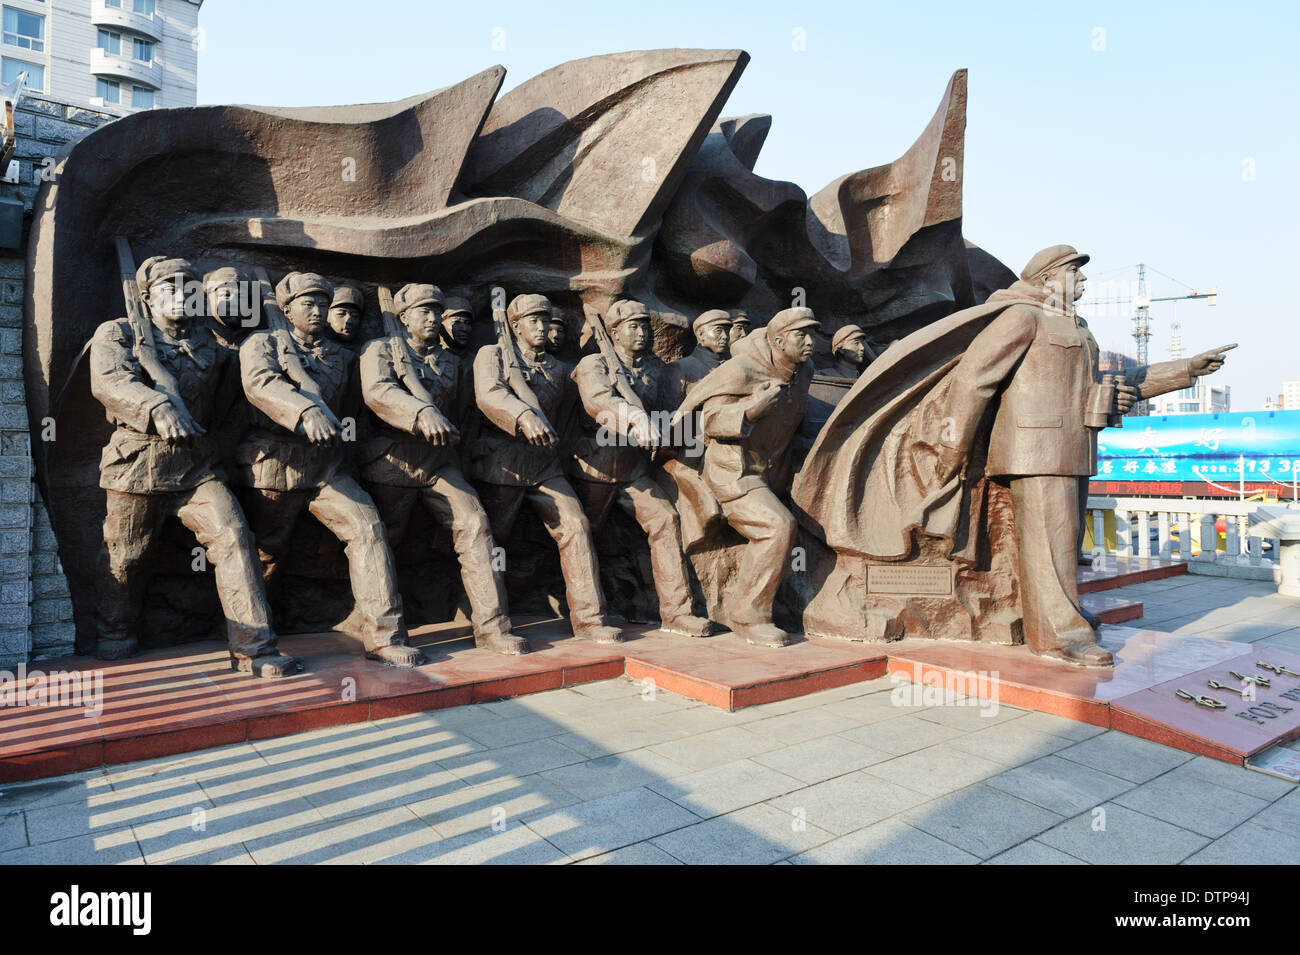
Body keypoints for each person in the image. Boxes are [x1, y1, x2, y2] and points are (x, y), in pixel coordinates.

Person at [933, 245, 1231, 665]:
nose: (1084, 281)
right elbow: (973, 380)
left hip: (1074, 447)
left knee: (1065, 541)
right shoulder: (1021, 316)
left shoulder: (1078, 326)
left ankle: (1062, 614)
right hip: (1036, 452)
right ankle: (1060, 636)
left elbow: (1116, 380)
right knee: (1049, 542)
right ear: (1048, 278)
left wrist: (1186, 370)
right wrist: (953, 444)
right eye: (1075, 272)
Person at [89, 255, 297, 677]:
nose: (182, 295)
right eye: (170, 288)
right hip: (138, 464)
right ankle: (115, 631)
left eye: (188, 288)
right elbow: (109, 381)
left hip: (196, 469)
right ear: (147, 299)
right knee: (128, 557)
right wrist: (155, 405)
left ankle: (255, 648)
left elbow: (223, 407)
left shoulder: (208, 345)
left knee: (235, 537)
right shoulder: (118, 333)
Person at [235, 271, 422, 668]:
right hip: (277, 464)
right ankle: (250, 637)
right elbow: (261, 384)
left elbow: (357, 409)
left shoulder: (342, 356)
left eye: (323, 303)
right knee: (268, 552)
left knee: (368, 529)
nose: (318, 310)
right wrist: (303, 411)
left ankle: (385, 637)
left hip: (327, 468)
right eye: (309, 303)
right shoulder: (261, 344)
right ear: (286, 310)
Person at [358, 283, 524, 654]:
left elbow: (464, 412)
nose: (433, 319)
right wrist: (419, 412)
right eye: (424, 312)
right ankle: (382, 635)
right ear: (403, 318)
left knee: (476, 524)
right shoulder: (379, 351)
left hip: (438, 464)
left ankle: (492, 627)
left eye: (437, 312)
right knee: (382, 543)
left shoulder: (452, 363)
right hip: (392, 463)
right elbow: (377, 392)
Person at [467, 293, 622, 643]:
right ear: (516, 326)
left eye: (545, 320)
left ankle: (591, 620)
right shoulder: (492, 355)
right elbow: (488, 393)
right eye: (533, 321)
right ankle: (491, 624)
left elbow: (579, 414)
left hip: (545, 466)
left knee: (576, 525)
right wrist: (522, 415)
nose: (541, 327)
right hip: (502, 465)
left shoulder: (558, 369)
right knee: (493, 543)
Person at [673, 307, 819, 646]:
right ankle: (748, 614)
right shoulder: (741, 370)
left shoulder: (804, 369)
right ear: (780, 340)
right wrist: (752, 410)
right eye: (802, 335)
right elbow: (706, 421)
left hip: (774, 467)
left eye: (812, 334)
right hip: (733, 472)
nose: (810, 342)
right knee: (777, 527)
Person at [570, 299, 714, 637]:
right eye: (633, 326)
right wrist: (634, 417)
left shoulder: (652, 368)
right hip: (595, 467)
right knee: (583, 535)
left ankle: (677, 613)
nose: (641, 332)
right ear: (615, 333)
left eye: (644, 326)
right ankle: (588, 619)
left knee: (665, 519)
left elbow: (669, 410)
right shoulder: (595, 363)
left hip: (634, 470)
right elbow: (598, 402)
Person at [666, 308, 731, 406]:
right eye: (718, 331)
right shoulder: (681, 368)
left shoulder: (730, 366)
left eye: (727, 331)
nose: (725, 336)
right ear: (701, 335)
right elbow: (666, 414)